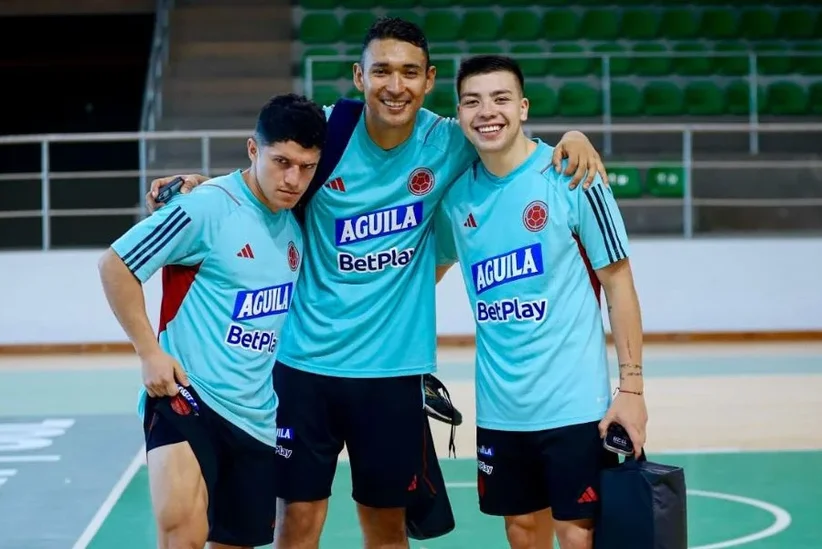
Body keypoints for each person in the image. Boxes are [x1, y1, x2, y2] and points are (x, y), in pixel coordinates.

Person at [147, 17, 609, 549]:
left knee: (387, 528)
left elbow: (507, 138)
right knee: (296, 523)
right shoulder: (325, 132)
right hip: (304, 370)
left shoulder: (448, 141)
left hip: (392, 375)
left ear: (429, 79)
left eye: (410, 72)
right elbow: (266, 178)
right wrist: (200, 186)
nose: (396, 84)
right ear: (359, 76)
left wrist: (569, 138)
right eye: (382, 70)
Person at [433, 54, 648, 549]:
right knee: (523, 532)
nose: (488, 111)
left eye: (501, 98)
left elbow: (619, 284)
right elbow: (424, 276)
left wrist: (632, 391)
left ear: (524, 107)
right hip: (500, 409)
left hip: (577, 406)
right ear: (460, 115)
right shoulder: (456, 200)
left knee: (576, 537)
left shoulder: (572, 176)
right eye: (473, 102)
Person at [98, 93, 327, 549]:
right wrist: (149, 353)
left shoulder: (295, 221)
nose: (293, 178)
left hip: (257, 415)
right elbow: (116, 265)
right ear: (252, 150)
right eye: (281, 161)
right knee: (181, 532)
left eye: (306, 166)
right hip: (187, 396)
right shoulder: (205, 208)